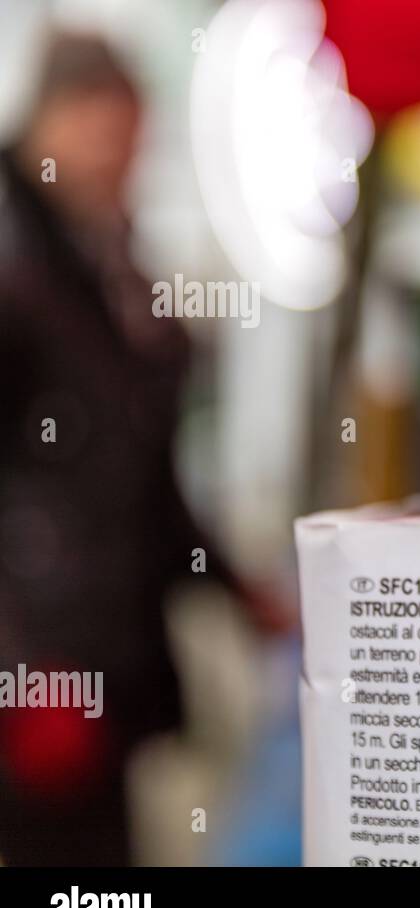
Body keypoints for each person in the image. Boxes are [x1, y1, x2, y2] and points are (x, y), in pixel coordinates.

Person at [0, 32, 284, 865]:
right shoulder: (20, 264)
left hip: (100, 657)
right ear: (59, 118)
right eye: (111, 135)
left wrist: (235, 588)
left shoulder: (103, 258)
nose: (123, 160)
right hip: (40, 669)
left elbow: (143, 473)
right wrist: (21, 663)